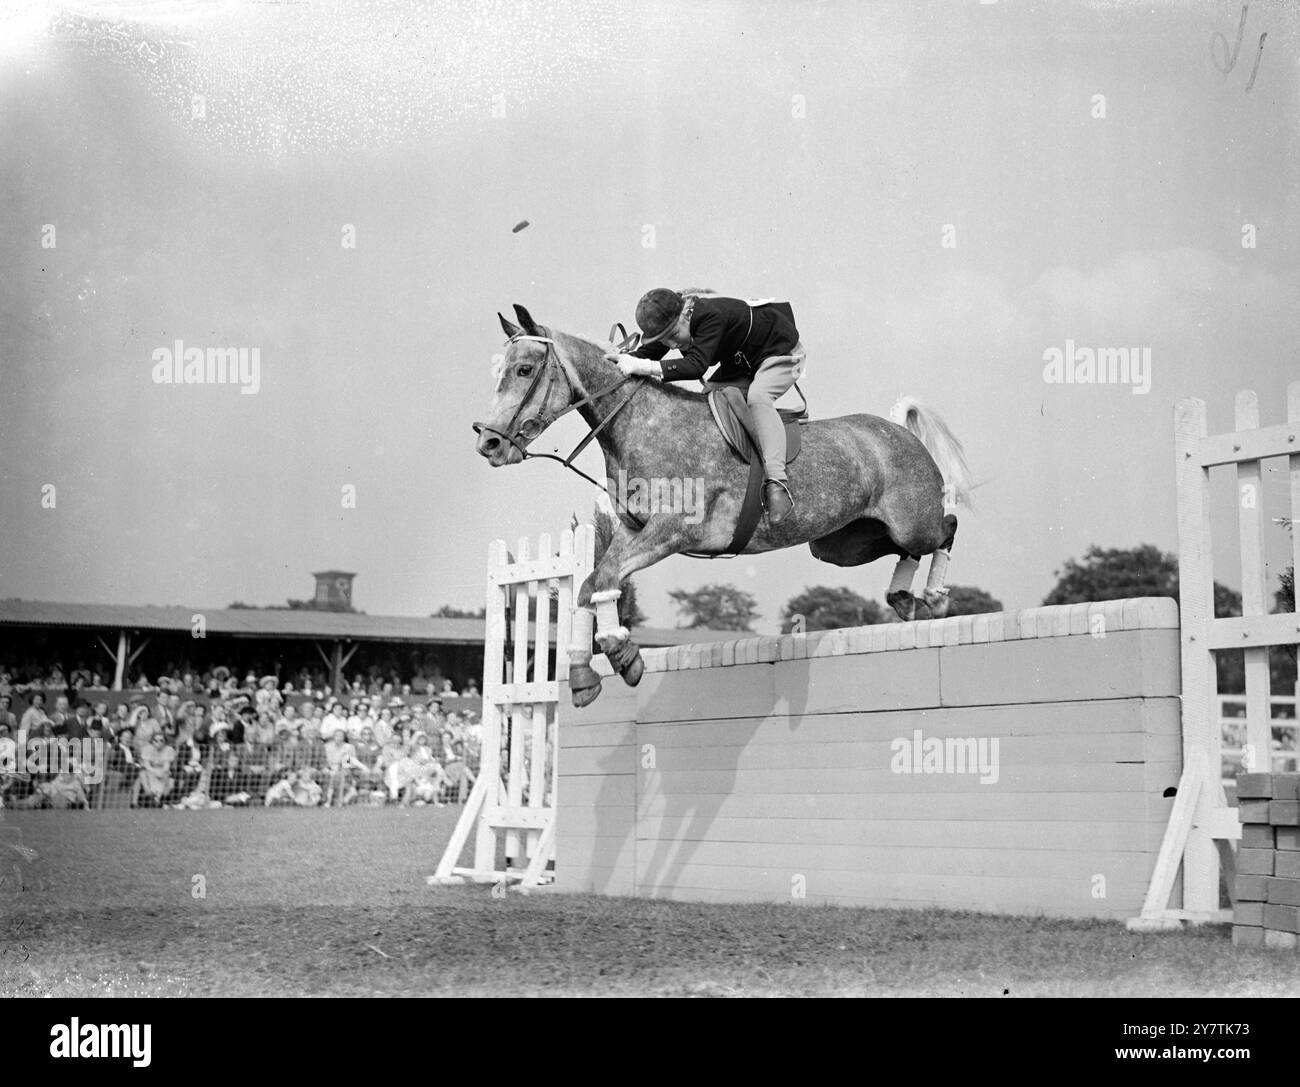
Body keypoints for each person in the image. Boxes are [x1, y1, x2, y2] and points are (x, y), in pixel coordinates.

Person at [608, 288, 806, 524]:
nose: (672, 343)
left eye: (673, 334)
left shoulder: (712, 316)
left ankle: (777, 484)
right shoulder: (678, 322)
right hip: (744, 360)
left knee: (758, 397)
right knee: (708, 401)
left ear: (685, 314)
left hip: (781, 353)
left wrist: (644, 367)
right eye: (664, 339)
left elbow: (695, 366)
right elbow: (647, 353)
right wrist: (621, 359)